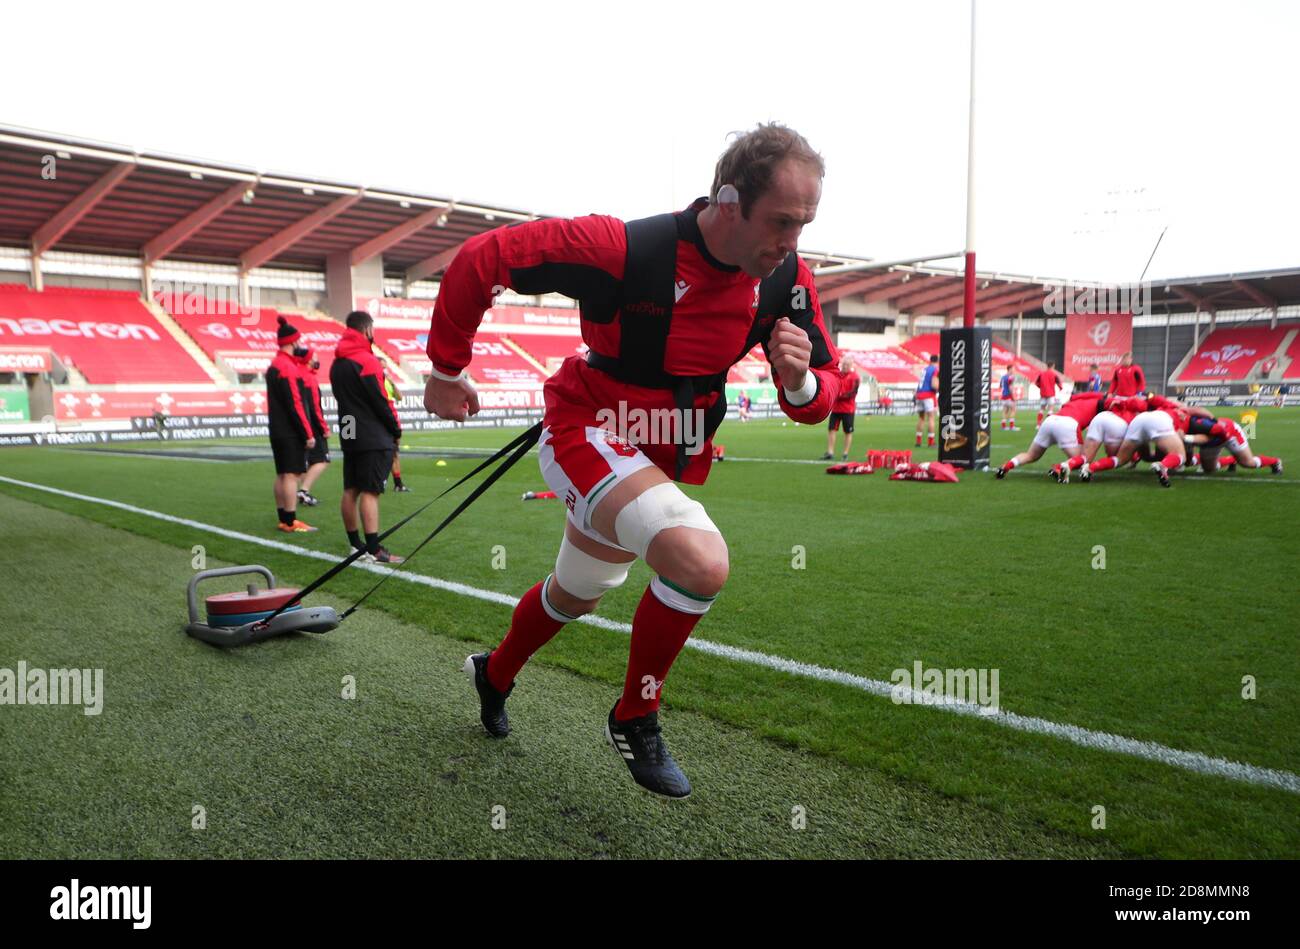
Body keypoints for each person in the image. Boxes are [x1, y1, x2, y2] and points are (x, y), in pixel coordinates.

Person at [424, 123, 840, 798]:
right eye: (782, 221)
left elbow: (822, 394)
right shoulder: (623, 248)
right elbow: (485, 256)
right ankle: (636, 712)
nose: (792, 241)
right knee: (701, 559)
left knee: (574, 593)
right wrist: (446, 367)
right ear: (729, 202)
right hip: (583, 430)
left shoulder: (785, 279)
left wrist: (798, 382)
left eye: (805, 223)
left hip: (651, 454)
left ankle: (492, 673)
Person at [330, 310, 406, 563]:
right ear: (367, 330)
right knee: (370, 492)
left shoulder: (337, 362)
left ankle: (355, 545)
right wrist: (395, 429)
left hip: (349, 431)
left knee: (350, 489)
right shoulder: (367, 360)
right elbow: (379, 400)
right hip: (372, 435)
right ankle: (374, 550)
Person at [1082, 393, 1211, 487]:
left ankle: (1090, 468)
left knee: (1121, 459)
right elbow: (1198, 410)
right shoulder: (1181, 412)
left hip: (1139, 421)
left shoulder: (1162, 406)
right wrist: (1213, 418)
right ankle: (1163, 466)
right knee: (1179, 456)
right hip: (1160, 421)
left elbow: (1151, 397)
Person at [266, 316, 317, 533]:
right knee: (291, 475)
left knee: (281, 474)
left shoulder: (275, 365)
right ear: (292, 342)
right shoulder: (287, 367)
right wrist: (307, 433)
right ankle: (290, 521)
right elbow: (295, 403)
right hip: (289, 431)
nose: (300, 345)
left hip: (277, 429)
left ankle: (283, 518)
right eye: (298, 341)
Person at [996, 390, 1106, 480]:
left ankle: (1007, 466)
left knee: (1031, 455)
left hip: (1050, 420)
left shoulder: (1078, 399)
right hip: (1068, 424)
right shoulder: (1103, 402)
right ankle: (1058, 468)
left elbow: (1075, 397)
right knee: (1083, 459)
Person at [295, 346, 331, 507]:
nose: (317, 360)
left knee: (305, 462)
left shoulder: (296, 374)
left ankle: (304, 492)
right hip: (312, 426)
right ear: (309, 360)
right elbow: (315, 407)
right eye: (315, 357)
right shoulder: (309, 378)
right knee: (322, 460)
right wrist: (324, 428)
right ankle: (303, 490)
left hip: (299, 425)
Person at [822, 353, 860, 460]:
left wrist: (838, 395)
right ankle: (830, 452)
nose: (845, 366)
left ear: (851, 365)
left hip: (848, 409)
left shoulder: (855, 377)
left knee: (848, 431)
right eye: (844, 364)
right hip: (836, 408)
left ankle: (845, 453)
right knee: (831, 429)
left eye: (847, 365)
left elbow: (853, 392)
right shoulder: (837, 375)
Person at [382, 374, 411, 492]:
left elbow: (399, 397)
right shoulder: (373, 380)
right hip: (383, 414)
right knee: (385, 452)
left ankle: (398, 484)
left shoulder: (388, 381)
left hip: (391, 415)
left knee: (394, 452)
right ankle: (382, 480)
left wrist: (392, 382)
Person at [915, 354, 939, 447]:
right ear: (937, 361)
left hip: (919, 394)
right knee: (931, 418)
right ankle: (931, 442)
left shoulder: (925, 369)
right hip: (928, 395)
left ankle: (918, 441)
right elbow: (934, 385)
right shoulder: (935, 370)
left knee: (921, 418)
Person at [1034, 361, 1064, 427]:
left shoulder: (1041, 374)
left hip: (1043, 394)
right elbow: (1059, 383)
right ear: (1053, 366)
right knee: (1050, 409)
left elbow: (1036, 383)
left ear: (1047, 366)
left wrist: (1041, 387)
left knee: (1042, 409)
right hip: (1051, 394)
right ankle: (1047, 425)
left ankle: (1038, 425)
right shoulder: (1054, 374)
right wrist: (1061, 388)